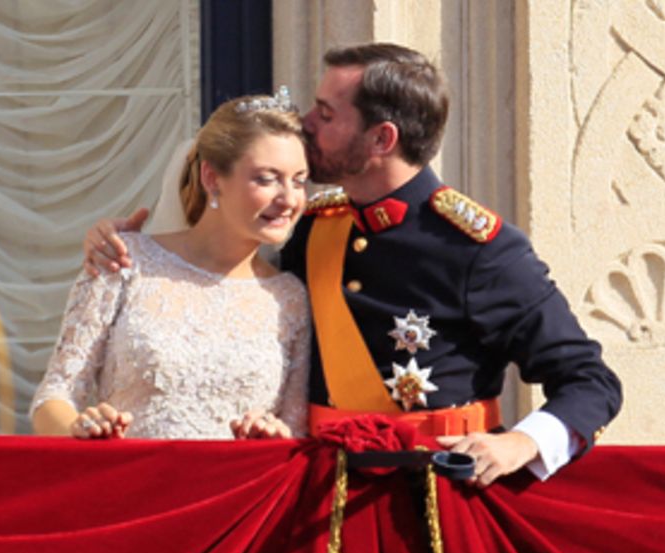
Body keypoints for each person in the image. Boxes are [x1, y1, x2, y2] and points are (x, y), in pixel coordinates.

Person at [83, 44, 621, 483]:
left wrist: (519, 444)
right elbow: (220, 282)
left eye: (325, 113)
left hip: (433, 502)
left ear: (380, 139)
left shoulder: (479, 249)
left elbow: (591, 383)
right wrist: (135, 252)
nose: (304, 124)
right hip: (318, 497)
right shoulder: (314, 226)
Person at [32, 89, 310, 441]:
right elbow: (52, 397)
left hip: (238, 492)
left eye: (299, 180)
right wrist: (80, 430)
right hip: (133, 486)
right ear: (212, 178)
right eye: (266, 179)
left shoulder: (289, 297)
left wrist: (272, 436)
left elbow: (296, 432)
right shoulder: (123, 261)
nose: (289, 199)